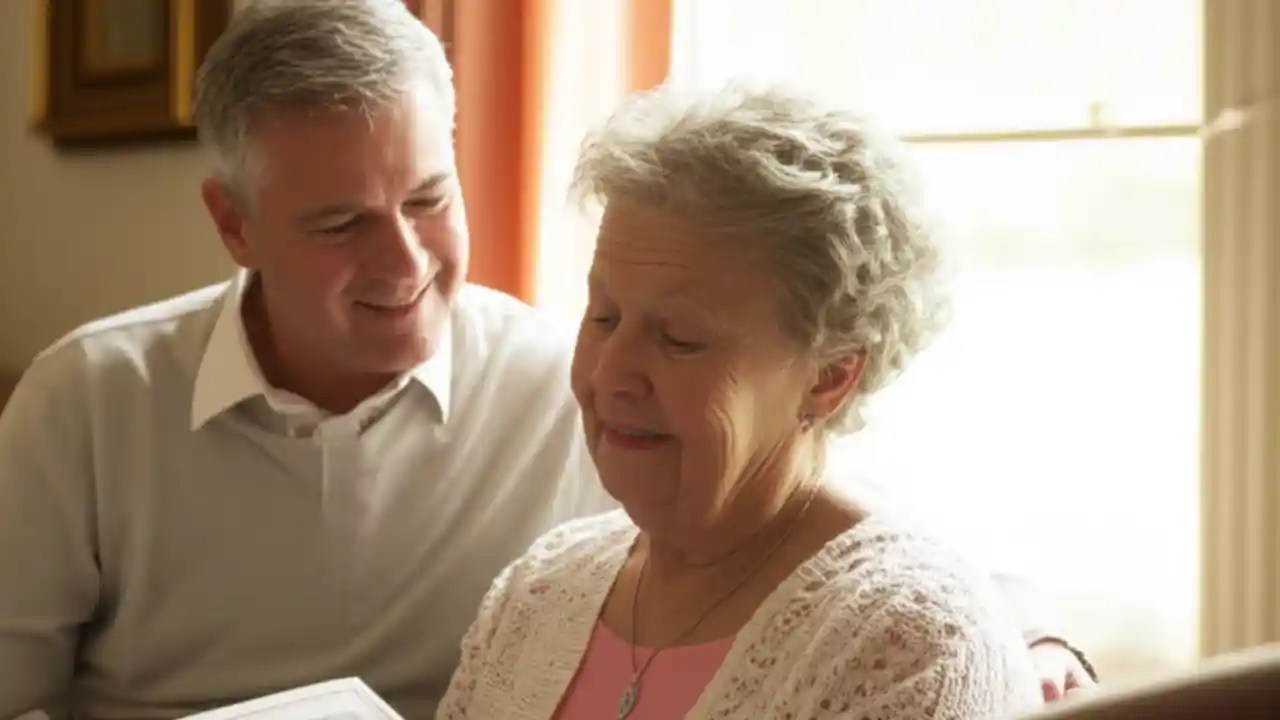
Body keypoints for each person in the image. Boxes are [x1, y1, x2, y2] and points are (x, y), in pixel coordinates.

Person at [0, 1, 1091, 718]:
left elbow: (805, 501)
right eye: (339, 225)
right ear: (233, 226)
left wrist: (1023, 628)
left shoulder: (567, 385)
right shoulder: (86, 402)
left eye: (430, 199)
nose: (406, 262)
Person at [435, 84, 1043, 719]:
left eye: (679, 339)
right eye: (605, 317)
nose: (611, 375)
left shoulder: (914, 647)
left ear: (830, 376)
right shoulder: (540, 591)